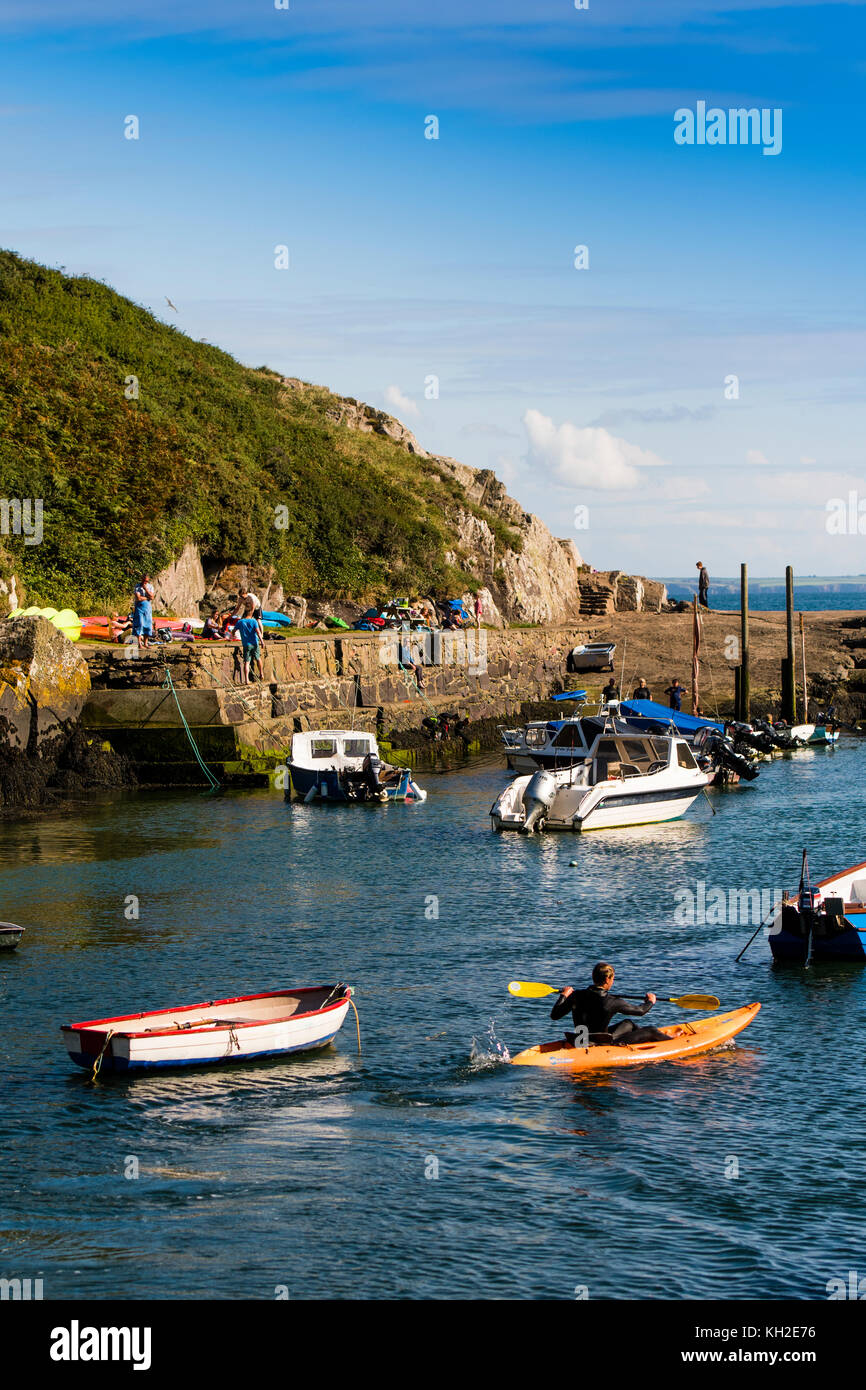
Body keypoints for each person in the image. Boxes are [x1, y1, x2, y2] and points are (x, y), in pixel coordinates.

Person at [550, 961, 668, 1046]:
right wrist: (650, 1002)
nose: (612, 982)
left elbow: (555, 1015)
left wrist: (564, 995)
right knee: (651, 1029)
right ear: (607, 979)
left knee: (628, 1023)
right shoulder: (612, 1001)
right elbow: (641, 1011)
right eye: (612, 979)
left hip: (580, 1039)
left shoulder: (575, 995)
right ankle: (671, 1042)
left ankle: (643, 1043)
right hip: (601, 1043)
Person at [234, 600, 264, 684]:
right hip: (254, 643)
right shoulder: (254, 621)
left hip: (246, 644)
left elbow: (234, 630)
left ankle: (246, 680)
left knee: (246, 662)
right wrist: (262, 641)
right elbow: (258, 632)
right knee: (258, 658)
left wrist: (232, 634)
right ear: (250, 613)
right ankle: (261, 674)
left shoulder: (240, 622)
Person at [131, 574, 155, 649]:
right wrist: (147, 597)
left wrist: (146, 589)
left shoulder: (150, 587)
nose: (145, 582)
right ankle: (139, 643)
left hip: (147, 608)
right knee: (140, 624)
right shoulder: (137, 586)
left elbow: (152, 597)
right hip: (139, 608)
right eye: (144, 581)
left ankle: (145, 643)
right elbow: (138, 598)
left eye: (146, 581)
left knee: (148, 625)